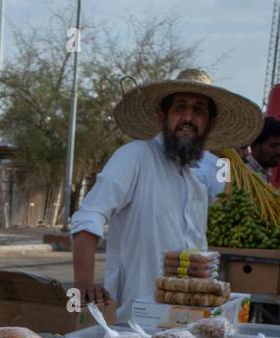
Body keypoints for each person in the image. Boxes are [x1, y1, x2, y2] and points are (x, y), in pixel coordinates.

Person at [70, 68, 263, 310]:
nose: (188, 118)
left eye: (199, 111)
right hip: (132, 319)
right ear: (163, 117)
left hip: (181, 321)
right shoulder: (135, 157)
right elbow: (90, 215)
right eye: (180, 108)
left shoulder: (195, 182)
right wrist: (84, 282)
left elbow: (196, 251)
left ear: (209, 124)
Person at [244, 116, 280, 181]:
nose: (279, 151)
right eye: (273, 146)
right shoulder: (242, 172)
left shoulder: (265, 172)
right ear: (255, 146)